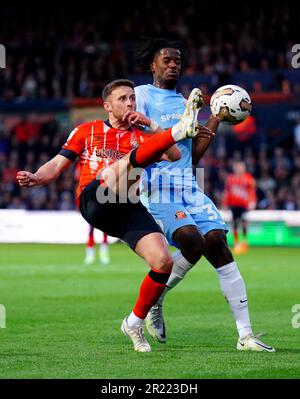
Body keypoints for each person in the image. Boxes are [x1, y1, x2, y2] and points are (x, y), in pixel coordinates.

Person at [17, 78, 211, 352]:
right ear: (107, 105)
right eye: (122, 99)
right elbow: (57, 164)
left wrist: (152, 125)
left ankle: (134, 322)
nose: (130, 103)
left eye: (132, 98)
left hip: (127, 207)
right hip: (95, 198)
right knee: (119, 167)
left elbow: (175, 154)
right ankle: (179, 128)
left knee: (163, 262)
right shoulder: (87, 131)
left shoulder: (143, 135)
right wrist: (37, 177)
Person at [134, 38, 275, 352]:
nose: (173, 65)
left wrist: (215, 117)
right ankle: (153, 301)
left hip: (189, 187)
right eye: (167, 60)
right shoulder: (141, 96)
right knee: (192, 241)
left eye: (178, 61)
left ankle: (246, 335)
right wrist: (175, 128)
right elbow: (140, 141)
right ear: (152, 65)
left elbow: (192, 156)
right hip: (159, 187)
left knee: (216, 244)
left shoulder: (186, 102)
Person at [222, 161, 257, 255]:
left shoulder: (248, 178)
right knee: (235, 223)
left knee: (244, 222)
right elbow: (227, 191)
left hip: (244, 204)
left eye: (241, 167)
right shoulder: (230, 178)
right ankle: (236, 243)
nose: (239, 169)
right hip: (234, 204)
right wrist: (225, 203)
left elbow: (252, 191)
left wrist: (252, 202)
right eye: (238, 167)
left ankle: (245, 241)